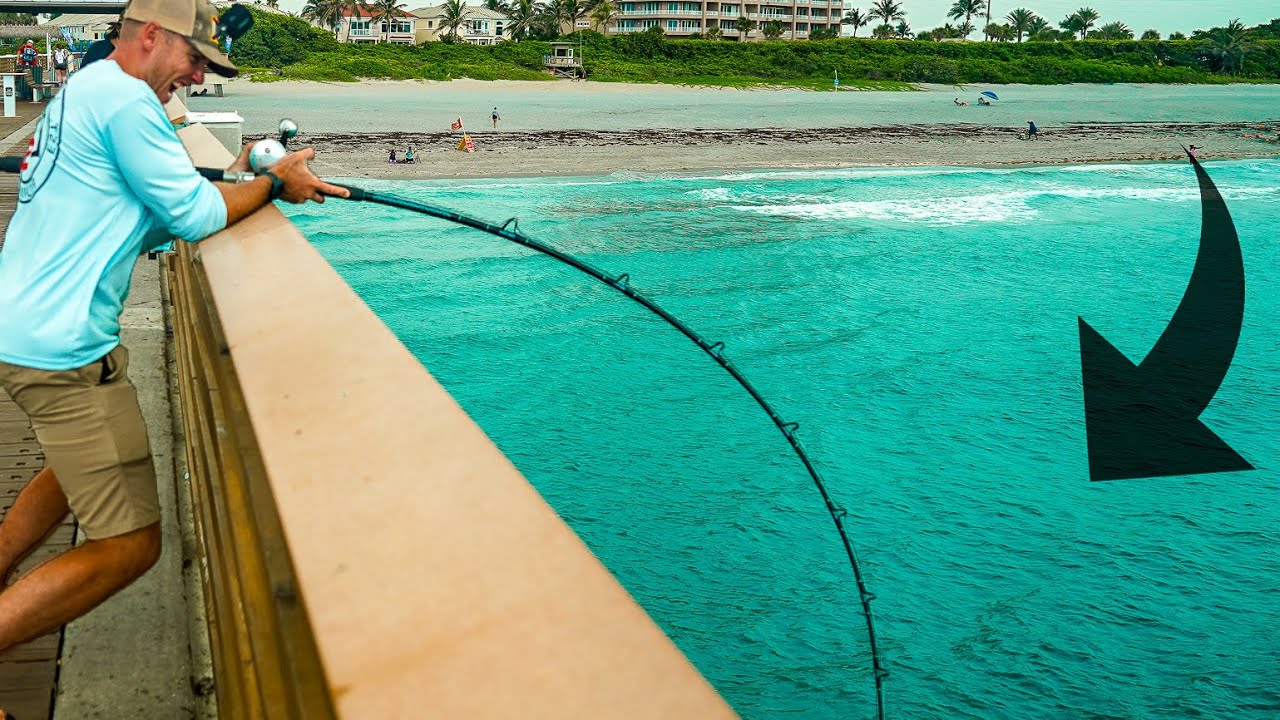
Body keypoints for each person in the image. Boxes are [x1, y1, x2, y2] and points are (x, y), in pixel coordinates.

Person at [0, 1, 347, 708]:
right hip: (63, 349)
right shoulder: (127, 101)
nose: (195, 76)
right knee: (129, 545)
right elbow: (192, 217)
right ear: (152, 36)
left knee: (69, 476)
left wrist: (244, 171)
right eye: (193, 60)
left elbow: (153, 202)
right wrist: (276, 185)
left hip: (25, 326)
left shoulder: (89, 85)